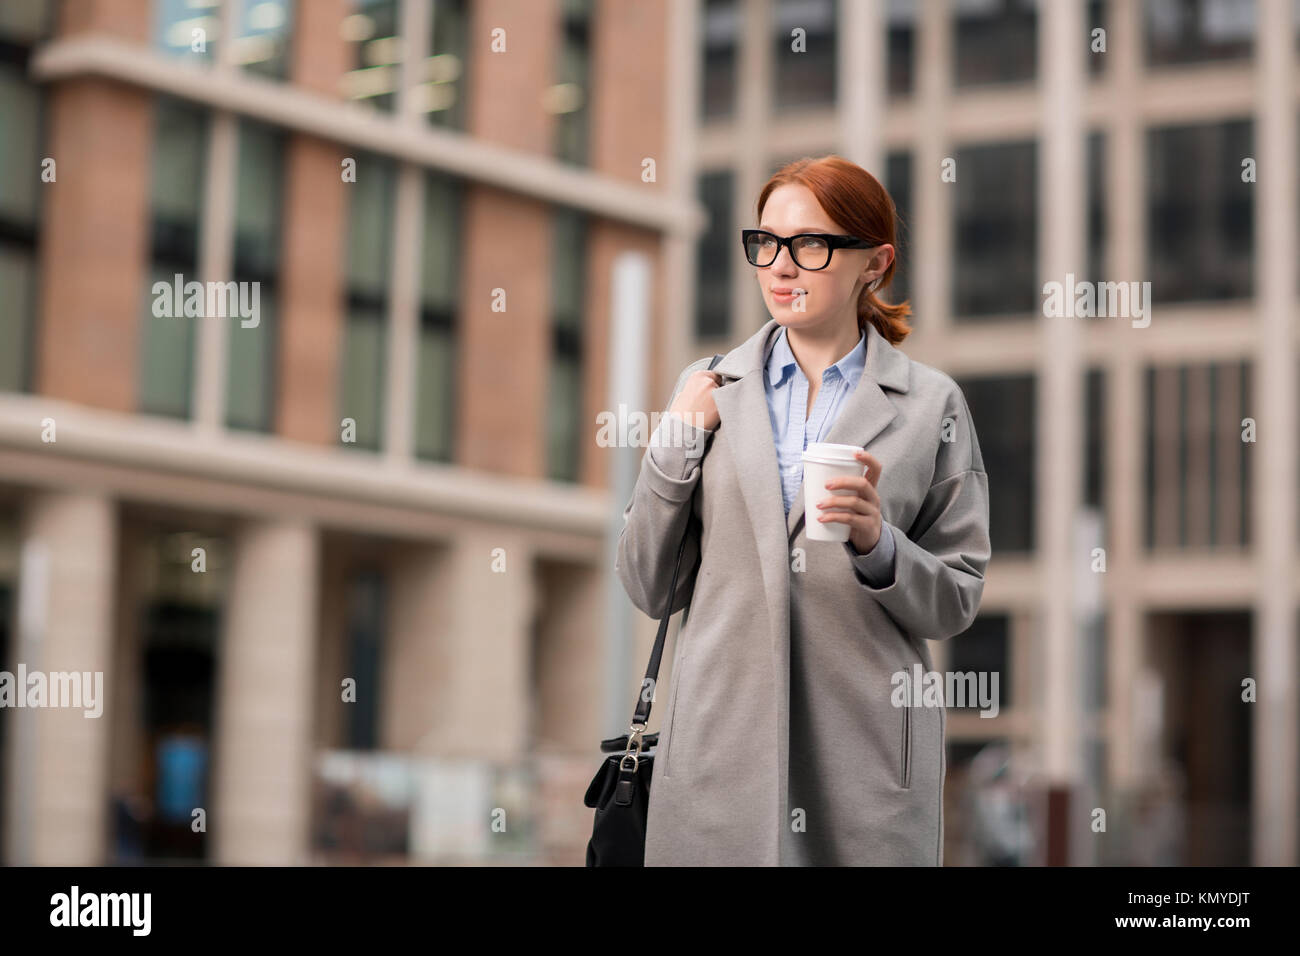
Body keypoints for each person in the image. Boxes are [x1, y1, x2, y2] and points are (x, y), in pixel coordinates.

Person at [615, 155, 991, 865]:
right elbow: (647, 585)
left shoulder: (932, 407)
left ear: (873, 263)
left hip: (864, 763)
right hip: (720, 761)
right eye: (766, 244)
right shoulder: (708, 389)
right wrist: (676, 445)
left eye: (810, 245)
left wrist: (879, 542)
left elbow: (956, 600)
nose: (781, 267)